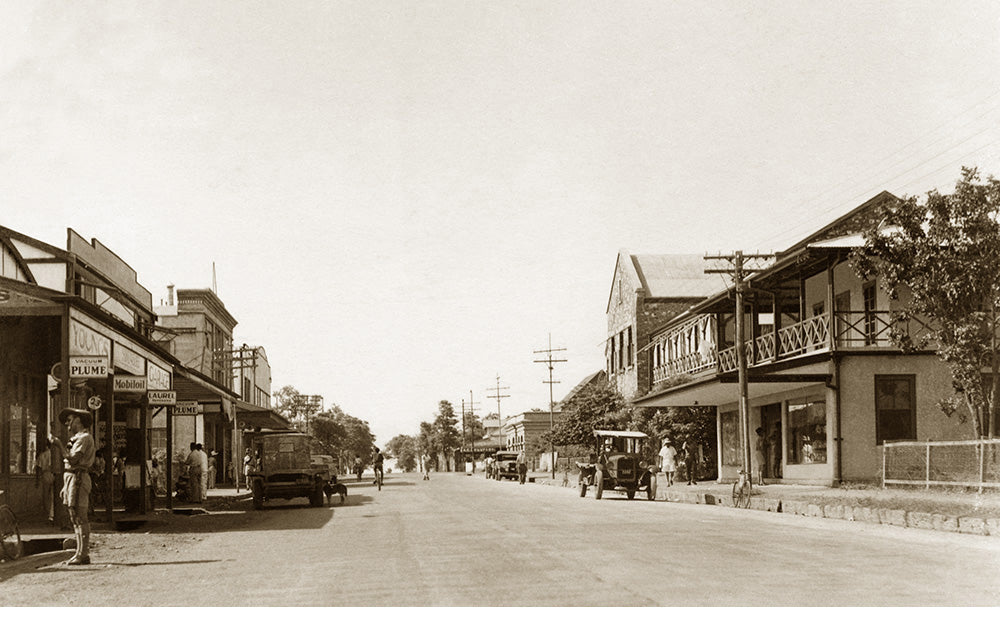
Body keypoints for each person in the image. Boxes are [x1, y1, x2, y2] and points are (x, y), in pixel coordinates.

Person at [59, 407, 95, 565]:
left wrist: (57, 445)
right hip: (72, 477)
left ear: (79, 420)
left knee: (80, 516)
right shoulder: (76, 438)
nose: (67, 423)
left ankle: (83, 553)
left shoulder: (84, 437)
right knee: (74, 517)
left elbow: (73, 459)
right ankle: (79, 552)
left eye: (70, 419)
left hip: (78, 478)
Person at [35, 438, 55, 522]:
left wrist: (37, 480)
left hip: (45, 475)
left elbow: (38, 468)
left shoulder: (42, 455)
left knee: (46, 496)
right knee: (53, 495)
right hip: (53, 475)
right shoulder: (53, 454)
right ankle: (53, 513)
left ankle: (48, 515)